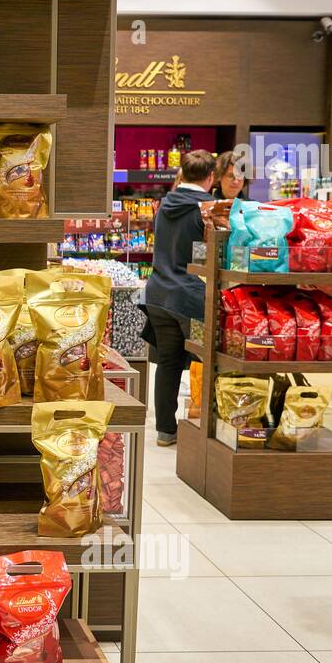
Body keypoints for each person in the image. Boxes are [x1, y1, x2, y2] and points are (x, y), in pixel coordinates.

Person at [142, 149, 216, 446]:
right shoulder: (208, 209)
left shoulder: (165, 204)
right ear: (211, 177)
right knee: (210, 360)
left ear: (181, 174)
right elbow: (207, 256)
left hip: (159, 295)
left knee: (169, 363)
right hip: (191, 301)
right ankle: (214, 433)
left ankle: (165, 431)